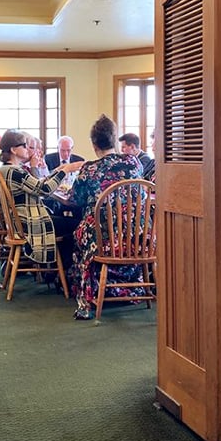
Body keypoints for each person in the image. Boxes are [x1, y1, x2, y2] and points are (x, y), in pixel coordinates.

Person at [67, 115, 146, 319]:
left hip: (103, 238)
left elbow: (76, 199)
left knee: (80, 230)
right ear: (114, 140)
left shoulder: (89, 169)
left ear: (94, 144)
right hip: (135, 234)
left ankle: (88, 289)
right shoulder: (134, 163)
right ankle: (128, 288)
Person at [0, 129, 83, 276]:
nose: (28, 148)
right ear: (13, 150)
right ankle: (63, 271)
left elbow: (38, 185)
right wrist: (65, 171)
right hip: (30, 224)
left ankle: (57, 271)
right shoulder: (15, 172)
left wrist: (60, 170)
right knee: (78, 225)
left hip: (21, 221)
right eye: (24, 145)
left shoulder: (8, 169)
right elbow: (44, 189)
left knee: (67, 221)